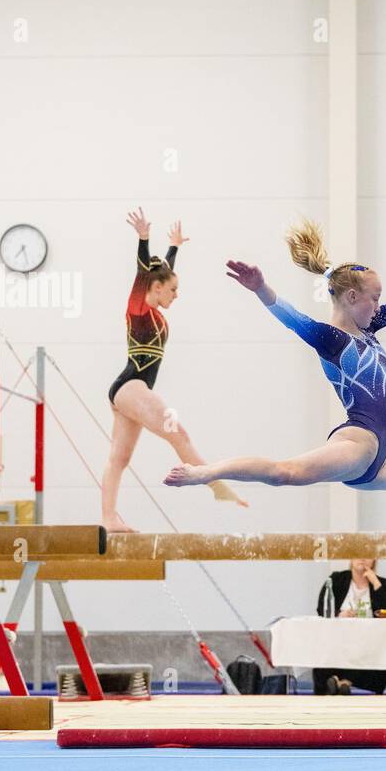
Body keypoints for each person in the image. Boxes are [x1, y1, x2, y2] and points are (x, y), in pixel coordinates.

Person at [163, 220, 386, 491]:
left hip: (376, 458)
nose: (380, 304)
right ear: (352, 298)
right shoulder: (330, 339)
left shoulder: (370, 326)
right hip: (358, 443)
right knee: (284, 473)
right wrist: (261, 289)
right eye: (375, 297)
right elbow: (293, 319)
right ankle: (205, 472)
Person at [101, 208, 246, 532]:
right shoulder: (139, 307)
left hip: (127, 391)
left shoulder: (154, 302)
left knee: (119, 458)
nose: (177, 295)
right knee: (177, 433)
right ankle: (216, 485)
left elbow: (162, 272)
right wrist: (143, 239)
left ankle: (109, 518)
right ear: (155, 289)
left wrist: (174, 247)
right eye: (173, 290)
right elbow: (145, 273)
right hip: (132, 384)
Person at [312, 559, 386, 695]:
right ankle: (342, 684)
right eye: (358, 553)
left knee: (375, 666)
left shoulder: (382, 584)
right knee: (323, 662)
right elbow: (322, 609)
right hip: (339, 647)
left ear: (374, 560)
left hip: (369, 650)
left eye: (367, 555)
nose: (362, 558)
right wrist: (340, 614)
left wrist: (375, 583)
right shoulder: (336, 579)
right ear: (351, 558)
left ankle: (340, 682)